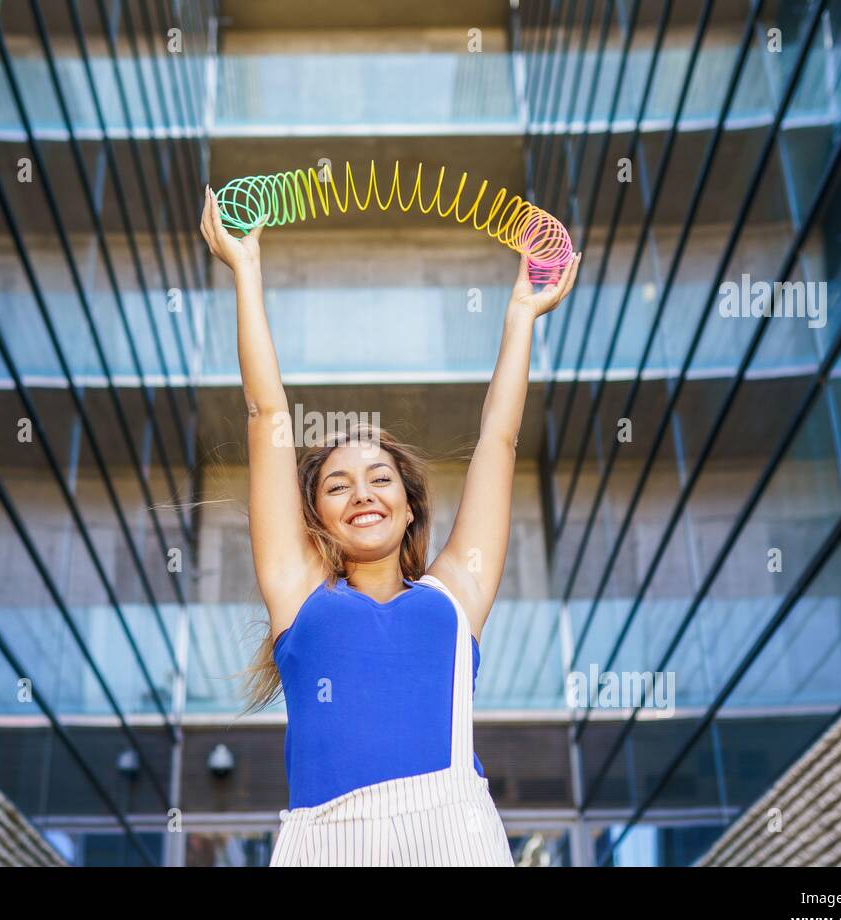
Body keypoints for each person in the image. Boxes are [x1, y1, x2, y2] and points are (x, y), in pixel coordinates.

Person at [200, 184, 580, 866]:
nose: (363, 494)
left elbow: (498, 441)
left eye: (380, 480)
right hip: (328, 841)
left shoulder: (454, 597)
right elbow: (267, 416)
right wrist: (246, 269)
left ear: (409, 507)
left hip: (454, 832)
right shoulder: (299, 593)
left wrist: (523, 312)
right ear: (315, 517)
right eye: (337, 486)